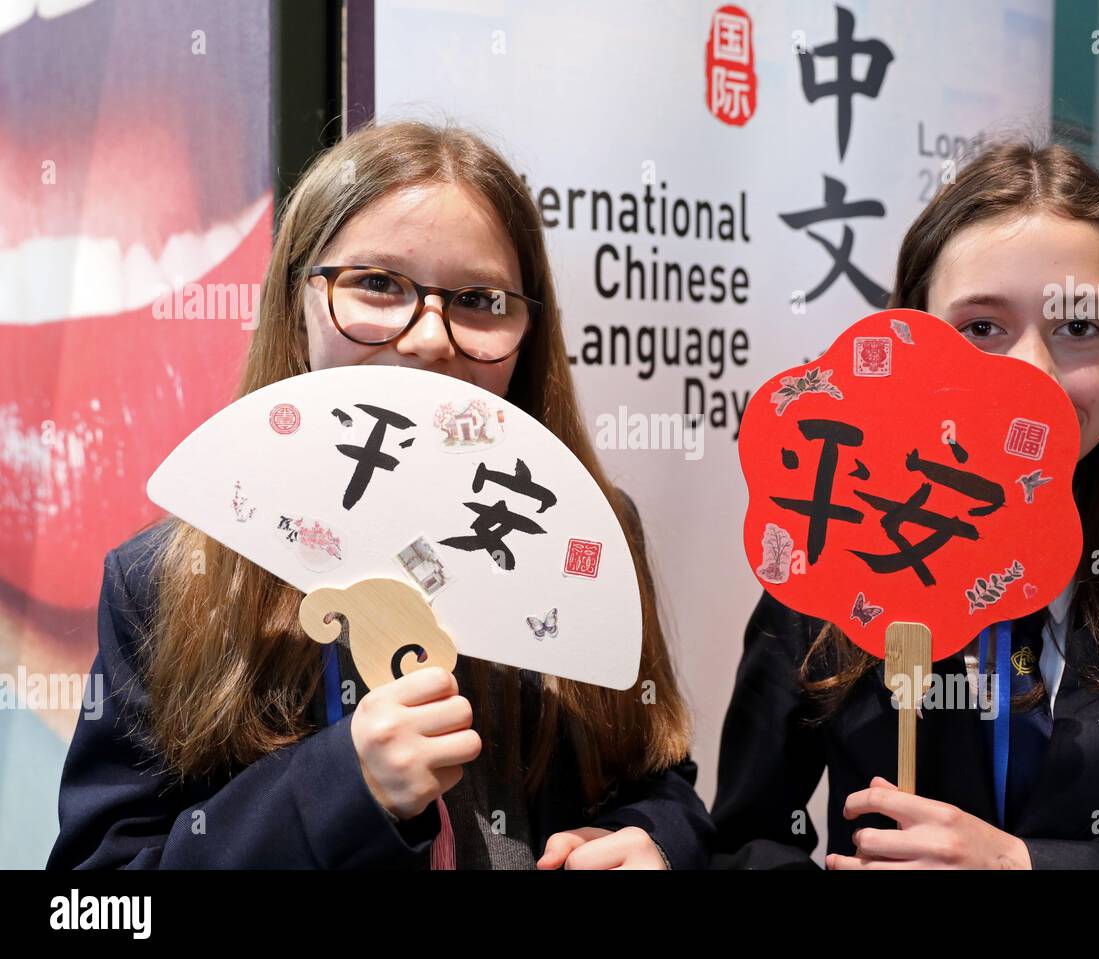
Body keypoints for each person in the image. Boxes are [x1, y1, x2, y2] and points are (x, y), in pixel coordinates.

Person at [48, 120, 712, 870]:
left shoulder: (585, 530)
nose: (430, 335)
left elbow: (657, 774)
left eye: (479, 298)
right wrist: (340, 785)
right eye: (377, 284)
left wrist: (652, 841)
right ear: (298, 303)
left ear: (527, 332)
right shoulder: (168, 578)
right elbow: (97, 890)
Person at [711, 141, 1099, 869]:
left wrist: (1023, 865)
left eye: (1079, 327)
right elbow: (742, 840)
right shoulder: (829, 545)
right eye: (982, 329)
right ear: (909, 342)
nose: (1032, 375)